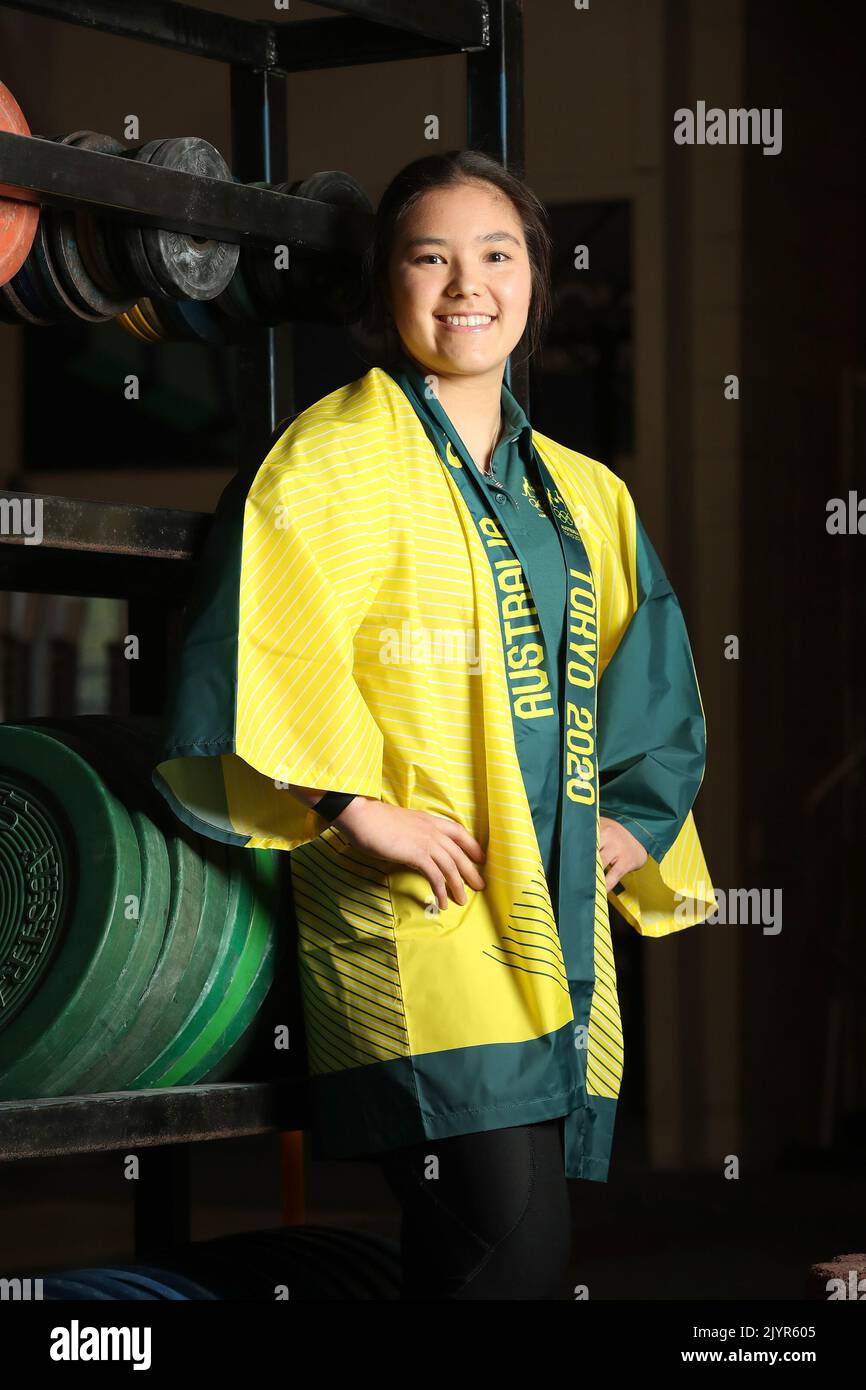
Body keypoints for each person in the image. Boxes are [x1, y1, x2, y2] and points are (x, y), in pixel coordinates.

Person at [151, 149, 716, 1300]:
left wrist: (634, 821)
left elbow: (647, 668)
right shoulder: (331, 454)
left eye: (496, 254)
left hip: (549, 912)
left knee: (495, 1249)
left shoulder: (580, 490)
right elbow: (260, 635)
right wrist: (351, 806)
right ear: (386, 287)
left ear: (533, 283)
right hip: (417, 912)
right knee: (506, 1244)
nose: (467, 284)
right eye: (430, 256)